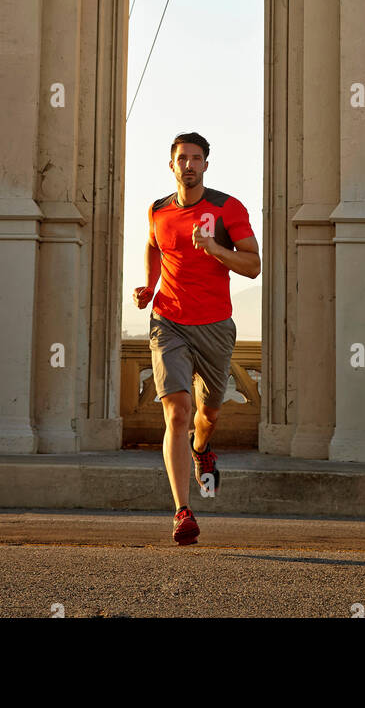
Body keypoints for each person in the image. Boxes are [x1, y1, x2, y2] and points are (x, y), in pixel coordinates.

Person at [133, 132, 260, 546]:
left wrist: (213, 250)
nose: (188, 165)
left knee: (208, 415)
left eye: (196, 159)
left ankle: (202, 448)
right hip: (167, 321)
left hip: (215, 326)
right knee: (176, 412)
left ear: (206, 165)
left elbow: (253, 265)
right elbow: (155, 247)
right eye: (182, 158)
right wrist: (149, 286)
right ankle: (182, 512)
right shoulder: (158, 210)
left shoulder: (227, 208)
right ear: (171, 165)